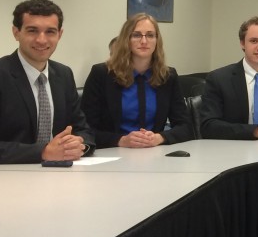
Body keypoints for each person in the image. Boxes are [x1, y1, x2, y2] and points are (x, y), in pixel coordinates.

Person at [0, 0, 94, 168]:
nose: (42, 40)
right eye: (32, 31)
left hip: (56, 176)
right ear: (16, 32)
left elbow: (83, 129)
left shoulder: (63, 75)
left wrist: (79, 143)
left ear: (60, 34)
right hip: (3, 179)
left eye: (50, 32)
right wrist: (42, 152)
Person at [80, 13, 194, 148]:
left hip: (155, 153)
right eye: (137, 35)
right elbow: (85, 129)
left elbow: (186, 127)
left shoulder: (168, 76)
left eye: (150, 35)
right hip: (112, 153)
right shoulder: (102, 74)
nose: (144, 41)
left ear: (157, 40)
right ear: (126, 39)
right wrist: (121, 140)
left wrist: (159, 138)